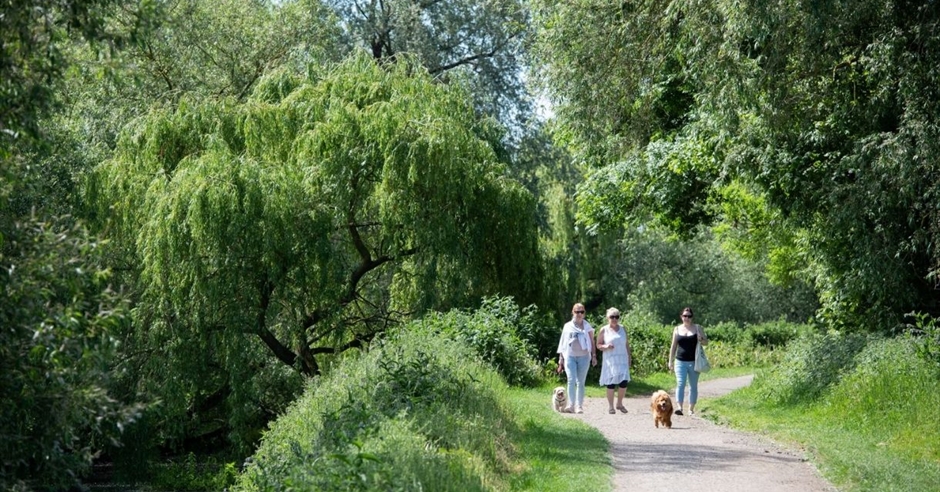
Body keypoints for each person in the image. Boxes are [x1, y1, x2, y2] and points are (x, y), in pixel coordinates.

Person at [556, 303, 596, 413]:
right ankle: (571, 405)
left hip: (584, 357)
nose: (579, 314)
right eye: (577, 311)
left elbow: (592, 342)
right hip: (570, 356)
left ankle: (579, 406)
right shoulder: (567, 326)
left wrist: (594, 356)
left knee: (581, 382)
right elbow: (563, 343)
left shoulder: (588, 327)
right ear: (573, 312)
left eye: (582, 311)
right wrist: (561, 359)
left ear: (584, 313)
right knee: (571, 380)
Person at [668, 306, 708, 416]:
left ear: (692, 317)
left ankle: (691, 409)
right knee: (680, 383)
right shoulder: (677, 329)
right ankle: (679, 407)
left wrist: (701, 339)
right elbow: (673, 346)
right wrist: (670, 361)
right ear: (681, 317)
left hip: (694, 361)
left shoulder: (698, 328)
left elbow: (706, 342)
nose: (687, 318)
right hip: (680, 361)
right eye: (685, 316)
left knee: (693, 385)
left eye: (689, 316)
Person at [596, 307, 632, 414]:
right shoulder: (604, 329)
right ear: (608, 318)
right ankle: (611, 406)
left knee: (624, 382)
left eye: (617, 317)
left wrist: (629, 357)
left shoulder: (623, 328)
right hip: (610, 360)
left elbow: (626, 344)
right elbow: (598, 345)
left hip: (622, 359)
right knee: (611, 383)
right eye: (612, 317)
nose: (615, 319)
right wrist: (606, 346)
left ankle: (619, 403)